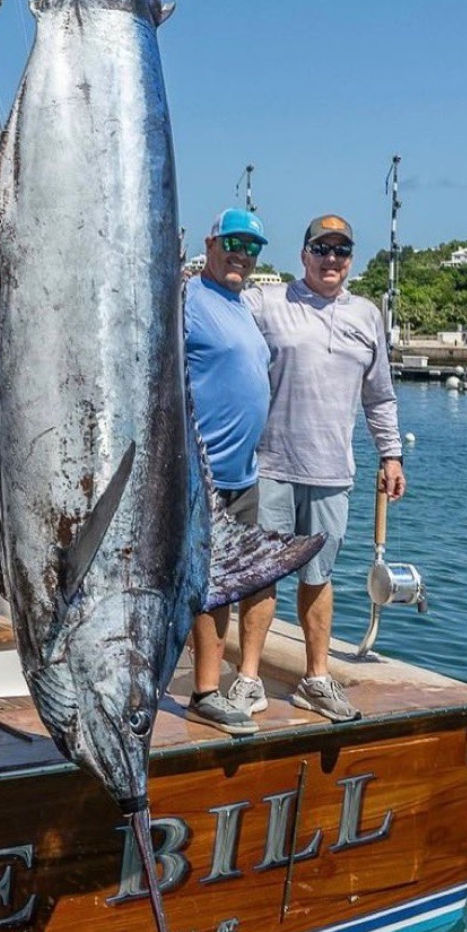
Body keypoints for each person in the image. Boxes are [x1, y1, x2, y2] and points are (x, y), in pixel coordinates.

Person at [237, 213, 406, 724]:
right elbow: (215, 318)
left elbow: (379, 397)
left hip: (333, 471)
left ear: (350, 259)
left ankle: (315, 678)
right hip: (269, 465)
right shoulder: (267, 302)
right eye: (321, 249)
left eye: (341, 250)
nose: (331, 259)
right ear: (303, 254)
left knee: (318, 576)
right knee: (260, 575)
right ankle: (247, 680)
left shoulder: (366, 315)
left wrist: (392, 454)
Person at [184, 208, 272, 738]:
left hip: (244, 473)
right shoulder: (188, 298)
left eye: (253, 247)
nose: (242, 253)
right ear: (211, 241)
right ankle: (204, 692)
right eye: (234, 242)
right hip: (203, 472)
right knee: (210, 584)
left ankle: (234, 681)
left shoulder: (240, 305)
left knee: (244, 577)